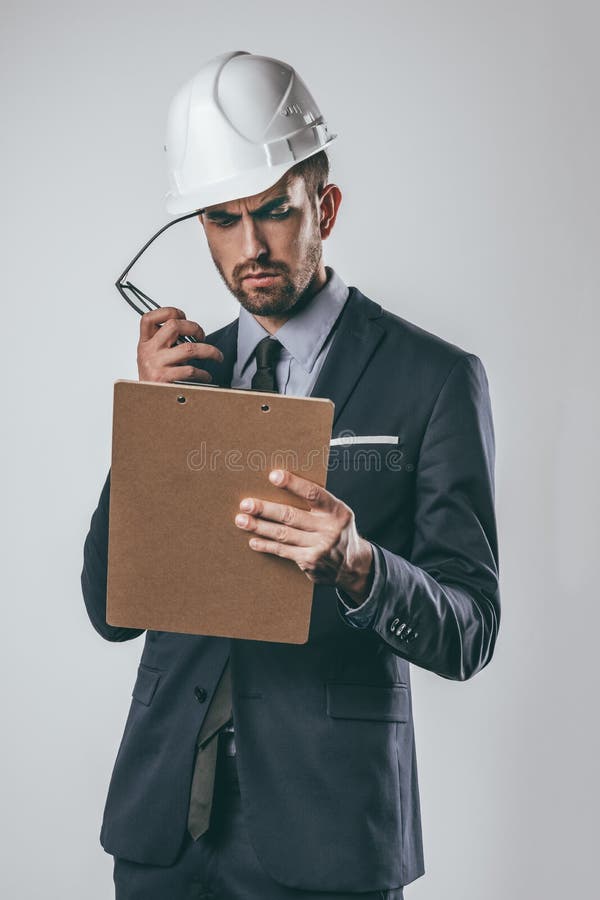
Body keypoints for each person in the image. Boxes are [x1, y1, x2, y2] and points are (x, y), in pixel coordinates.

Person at [81, 50, 501, 900]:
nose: (251, 247)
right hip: (165, 832)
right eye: (220, 221)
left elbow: (471, 628)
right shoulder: (189, 371)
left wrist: (360, 564)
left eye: (273, 212)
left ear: (326, 205)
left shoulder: (434, 379)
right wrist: (148, 428)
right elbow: (109, 611)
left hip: (331, 834)